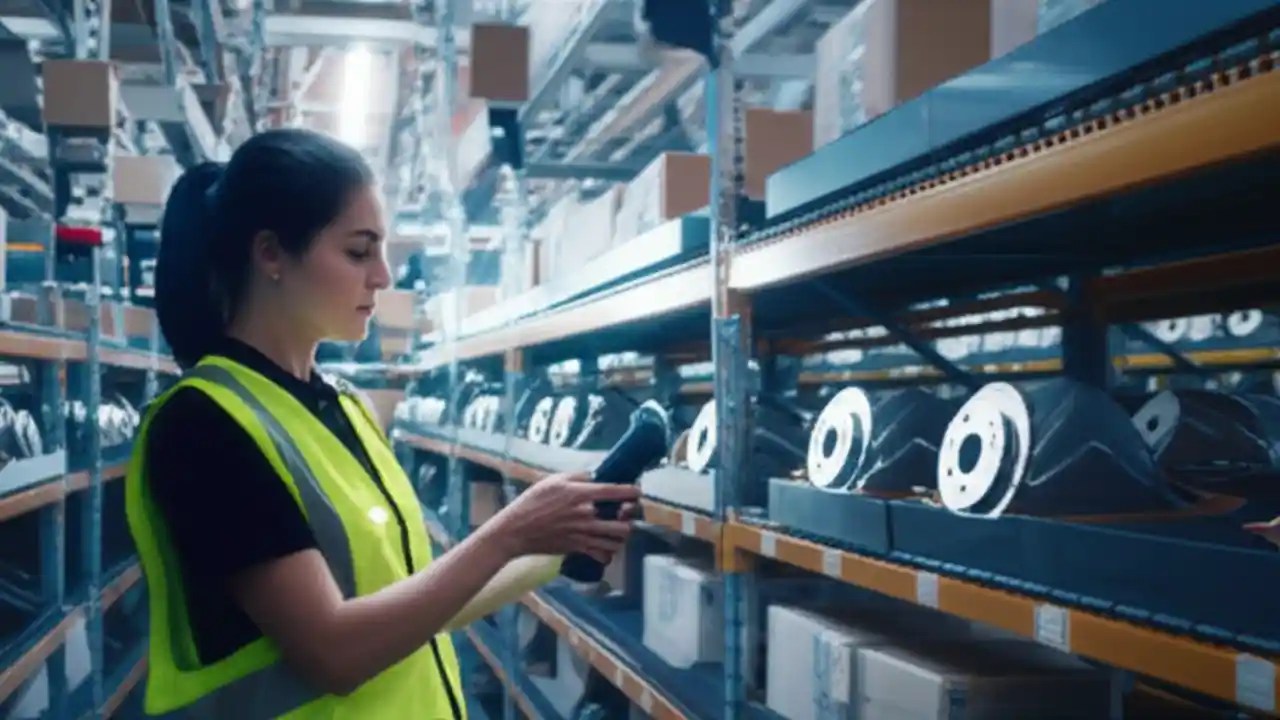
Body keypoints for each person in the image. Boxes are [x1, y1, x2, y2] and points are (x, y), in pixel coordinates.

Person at [123, 128, 641, 719]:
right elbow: (333, 652)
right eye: (358, 251)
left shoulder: (344, 408)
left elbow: (418, 606)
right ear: (270, 254)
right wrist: (510, 532)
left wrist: (557, 541)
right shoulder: (205, 427)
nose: (384, 276)